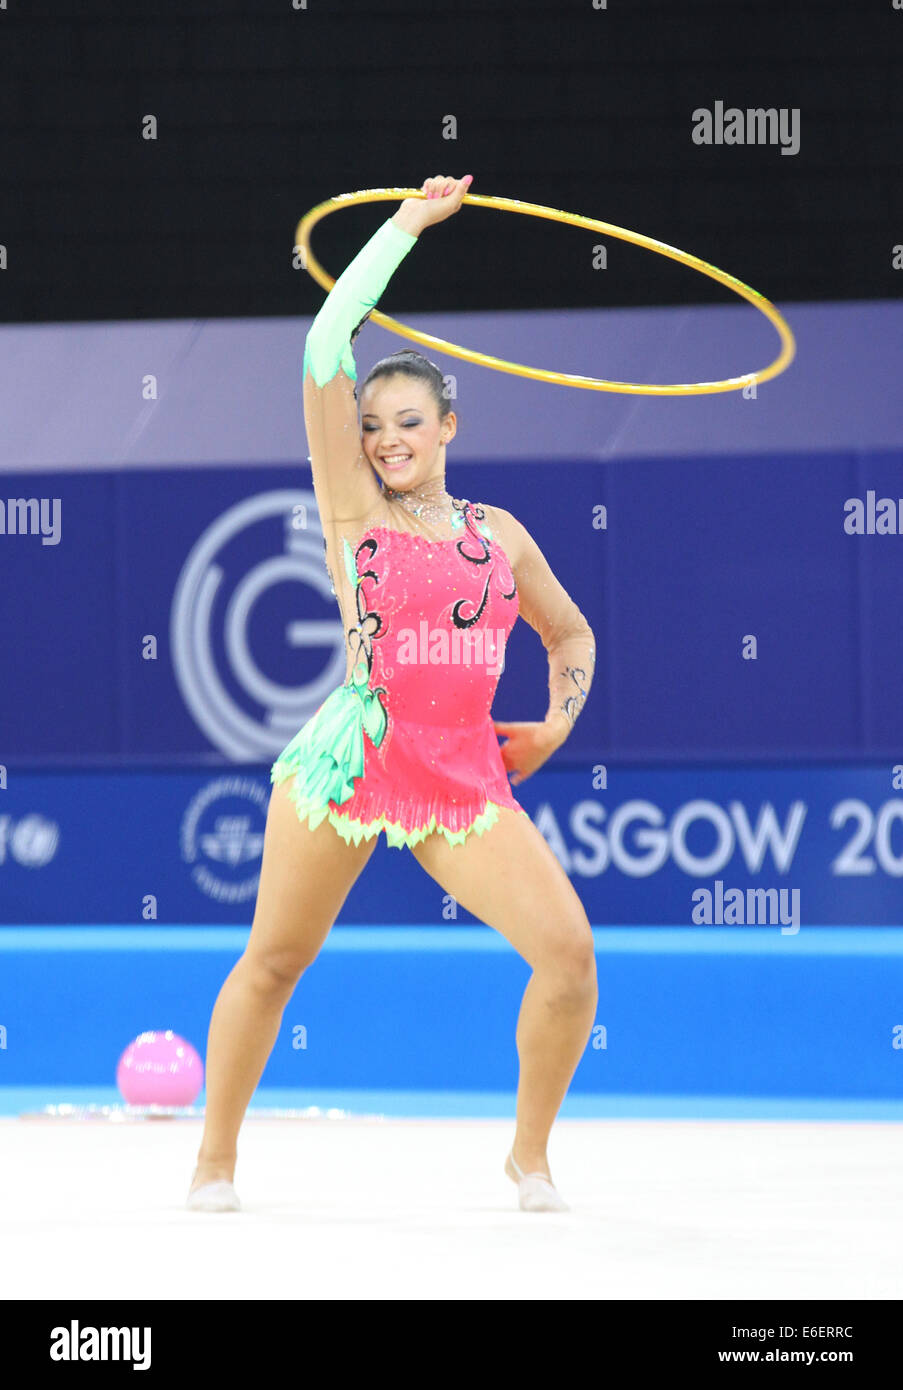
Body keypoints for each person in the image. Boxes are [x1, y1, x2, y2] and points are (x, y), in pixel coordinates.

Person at [188, 173, 597, 1214]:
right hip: (356, 753)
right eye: (373, 424)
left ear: (449, 423)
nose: (385, 438)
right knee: (275, 960)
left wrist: (556, 724)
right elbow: (327, 343)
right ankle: (214, 1162)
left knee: (567, 956)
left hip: (461, 772)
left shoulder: (501, 534)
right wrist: (407, 227)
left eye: (408, 420)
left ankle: (531, 1158)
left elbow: (570, 633)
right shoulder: (353, 510)